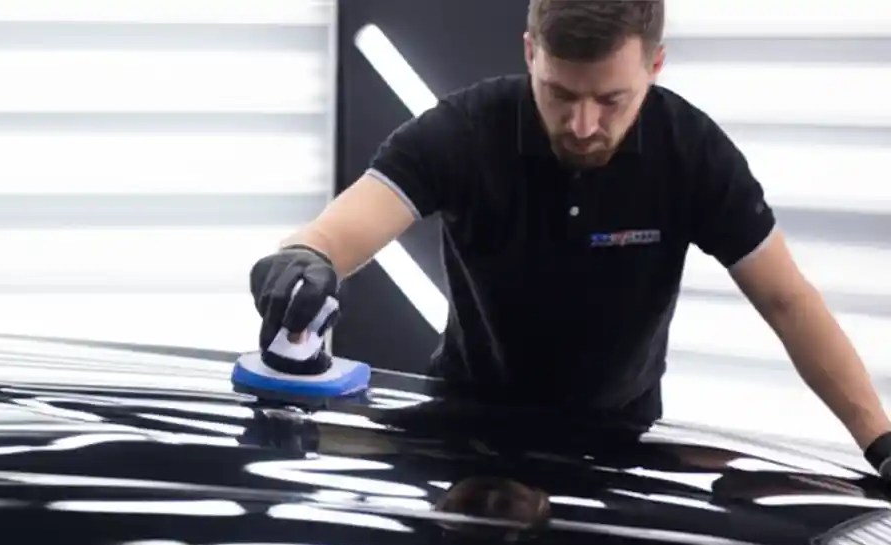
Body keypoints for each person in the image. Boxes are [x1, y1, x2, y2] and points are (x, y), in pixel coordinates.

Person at [246, 0, 891, 480]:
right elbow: (337, 230)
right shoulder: (467, 130)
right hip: (466, 435)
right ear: (531, 53)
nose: (583, 124)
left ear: (656, 66)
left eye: (611, 100)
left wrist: (880, 441)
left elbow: (787, 299)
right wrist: (305, 259)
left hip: (619, 444)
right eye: (559, 94)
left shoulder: (691, 152)